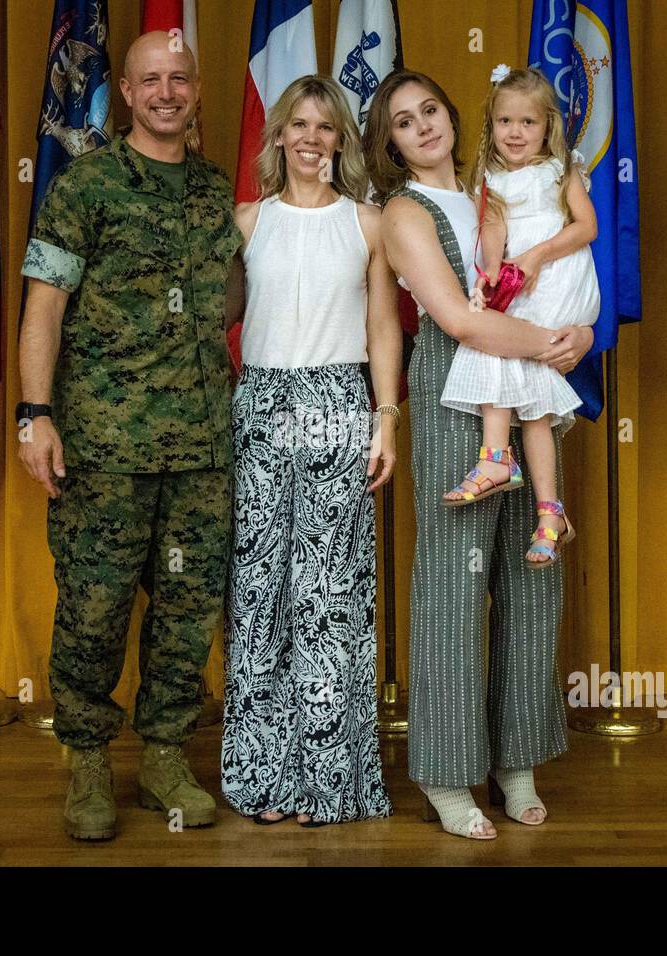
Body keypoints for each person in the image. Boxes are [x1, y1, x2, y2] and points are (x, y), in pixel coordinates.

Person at [16, 32, 242, 841]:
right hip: (106, 449)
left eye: (180, 78)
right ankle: (86, 760)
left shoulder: (217, 193)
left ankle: (164, 755)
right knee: (95, 606)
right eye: (151, 80)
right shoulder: (85, 186)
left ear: (198, 90)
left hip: (203, 451)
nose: (167, 92)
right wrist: (34, 415)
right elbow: (42, 307)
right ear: (124, 89)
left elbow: (235, 301)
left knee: (186, 610)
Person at [362, 70, 594, 839]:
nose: (422, 126)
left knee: (531, 573)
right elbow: (460, 320)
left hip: (526, 382)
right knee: (456, 579)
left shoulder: (500, 185)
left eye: (430, 109)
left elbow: (564, 270)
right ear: (389, 142)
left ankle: (516, 757)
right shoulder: (405, 210)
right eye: (403, 120)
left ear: (460, 119)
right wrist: (552, 345)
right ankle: (448, 771)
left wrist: (580, 335)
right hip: (459, 388)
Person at [221, 76, 400, 827]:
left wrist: (385, 416)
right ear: (280, 137)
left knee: (329, 601)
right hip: (259, 404)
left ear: (341, 142)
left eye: (325, 127)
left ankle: (332, 779)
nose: (310, 138)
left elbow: (385, 326)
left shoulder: (368, 224)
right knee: (261, 596)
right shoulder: (246, 220)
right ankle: (264, 776)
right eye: (298, 124)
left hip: (338, 405)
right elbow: (217, 312)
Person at [440, 66, 600, 569]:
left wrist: (536, 257)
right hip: (523, 290)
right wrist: (488, 274)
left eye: (528, 122)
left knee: (491, 346)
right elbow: (492, 233)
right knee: (532, 402)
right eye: (505, 121)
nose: (516, 133)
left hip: (558, 282)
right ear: (492, 124)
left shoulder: (560, 170)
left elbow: (587, 227)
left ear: (547, 126)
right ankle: (550, 513)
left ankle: (495, 457)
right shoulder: (491, 178)